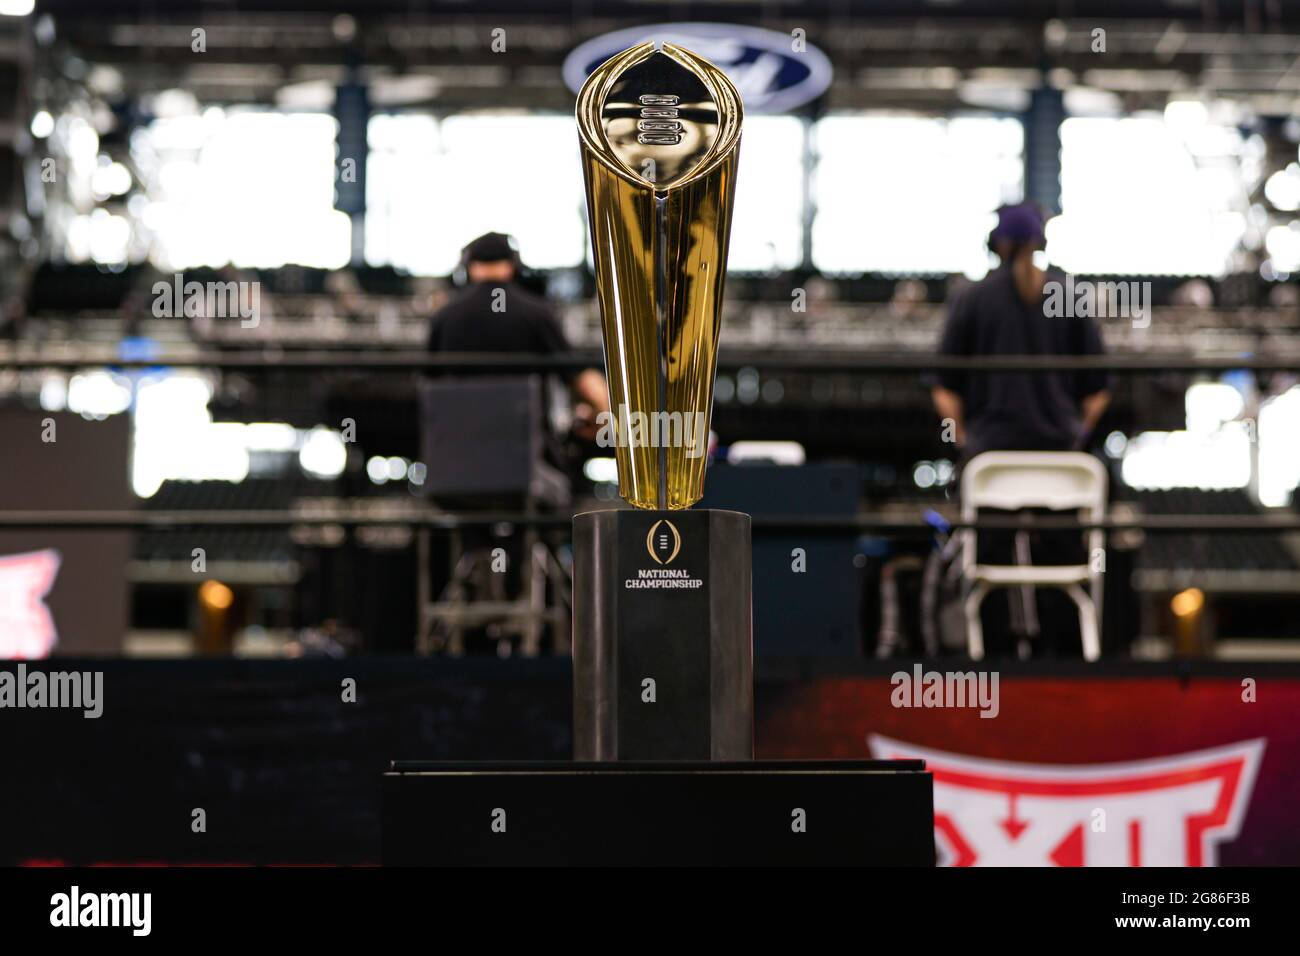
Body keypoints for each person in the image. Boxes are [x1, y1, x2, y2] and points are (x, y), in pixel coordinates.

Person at [929, 203, 1111, 657]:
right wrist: (1073, 437)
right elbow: (1099, 391)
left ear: (999, 245)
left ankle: (993, 656)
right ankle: (1067, 659)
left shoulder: (971, 296)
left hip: (991, 465)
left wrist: (967, 441)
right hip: (1065, 467)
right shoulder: (1069, 295)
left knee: (986, 557)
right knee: (1065, 562)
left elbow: (944, 389)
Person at [427, 231, 608, 431]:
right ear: (512, 265)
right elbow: (577, 376)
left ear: (469, 267)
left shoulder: (443, 317)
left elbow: (428, 384)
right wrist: (607, 415)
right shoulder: (537, 313)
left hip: (456, 441)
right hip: (525, 444)